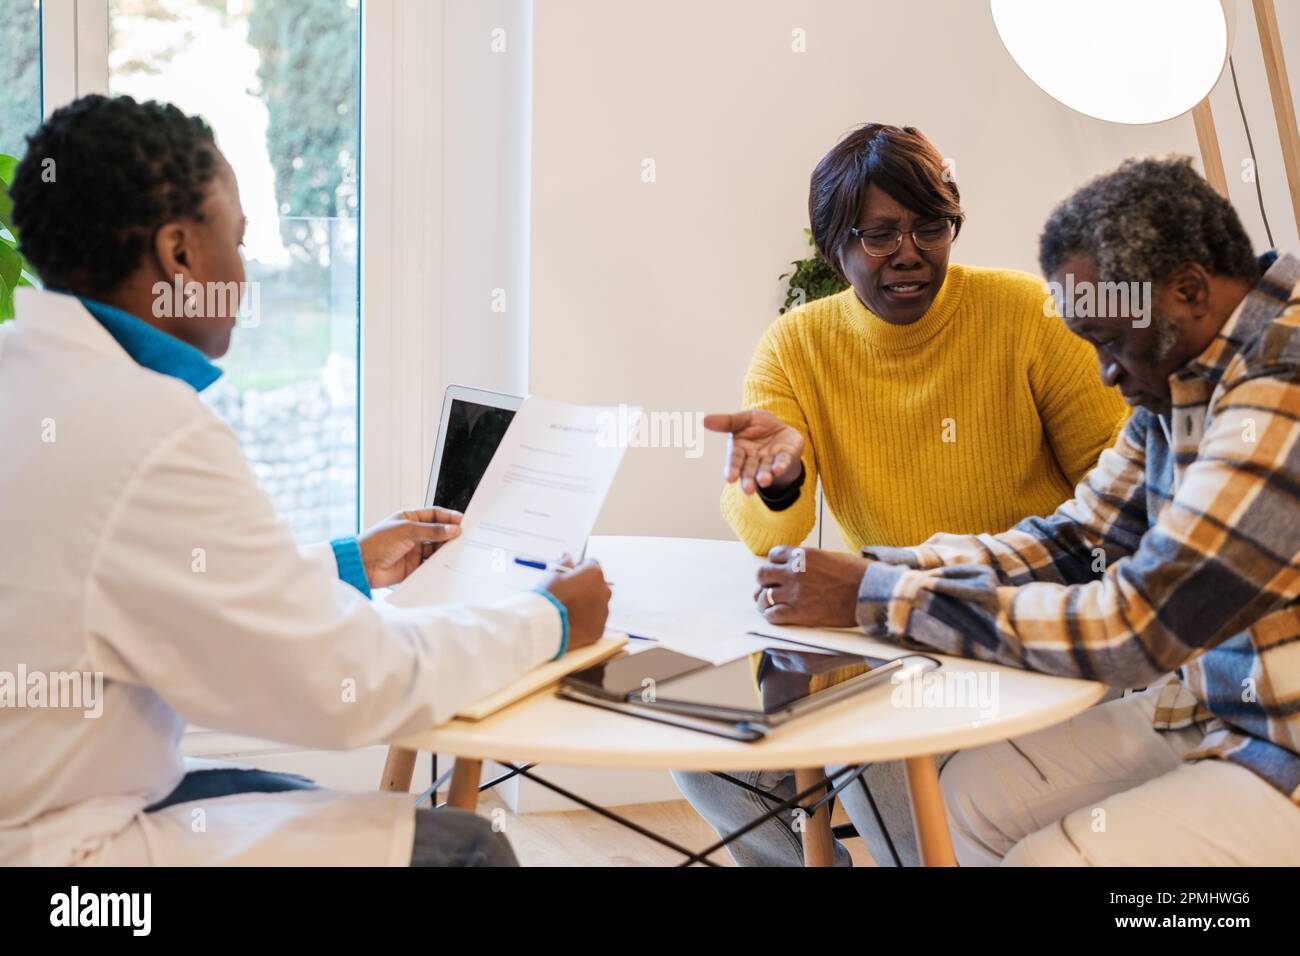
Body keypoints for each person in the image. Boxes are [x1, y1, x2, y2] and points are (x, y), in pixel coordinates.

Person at [0, 94, 611, 867]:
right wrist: (550, 618)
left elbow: (137, 582)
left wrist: (345, 564)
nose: (245, 272)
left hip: (46, 794)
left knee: (279, 787)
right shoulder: (148, 428)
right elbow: (354, 686)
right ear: (180, 254)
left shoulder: (28, 374)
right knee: (463, 851)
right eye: (239, 240)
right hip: (67, 872)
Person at [747, 156, 1300, 864]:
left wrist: (878, 595)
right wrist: (877, 574)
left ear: (1190, 290)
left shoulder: (1277, 386)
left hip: (1279, 743)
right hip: (1210, 708)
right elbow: (1078, 539)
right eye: (879, 235)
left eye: (1110, 342)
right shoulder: (1179, 367)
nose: (1104, 372)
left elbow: (1134, 629)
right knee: (966, 805)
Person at [674, 123, 1128, 865]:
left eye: (930, 227)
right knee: (695, 735)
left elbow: (1119, 497)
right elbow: (763, 527)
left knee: (919, 831)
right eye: (880, 235)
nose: (910, 251)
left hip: (1012, 628)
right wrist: (781, 479)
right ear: (835, 247)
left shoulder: (1026, 315)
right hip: (879, 636)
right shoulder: (798, 345)